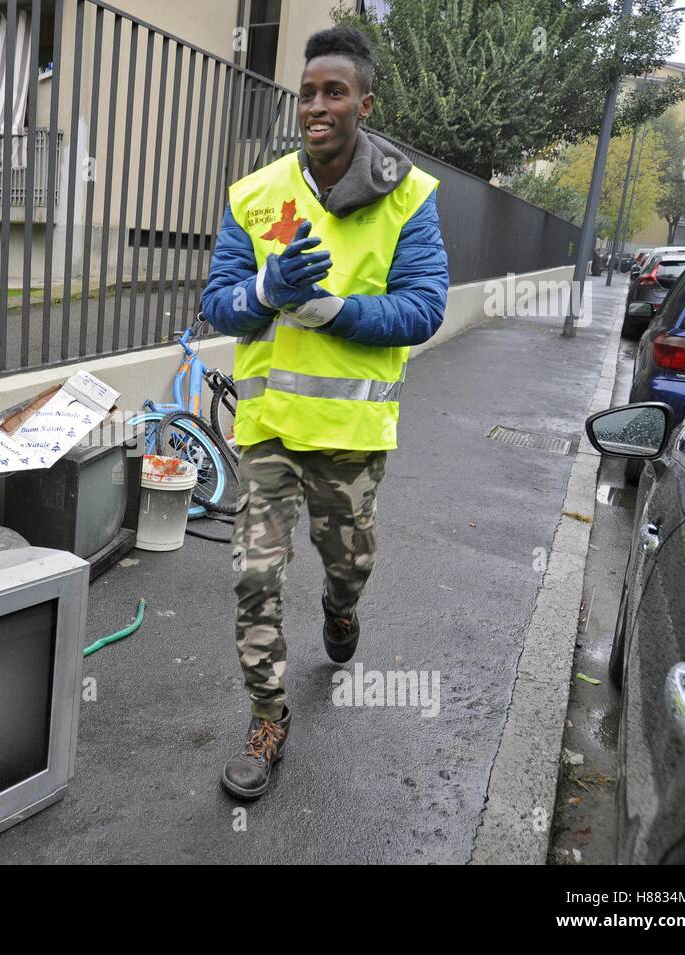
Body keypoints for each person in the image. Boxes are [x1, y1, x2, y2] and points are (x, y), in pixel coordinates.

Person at [201, 25, 450, 801]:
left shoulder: (407, 196)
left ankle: (341, 615)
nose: (316, 104)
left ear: (363, 103)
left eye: (333, 91)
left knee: (350, 565)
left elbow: (424, 308)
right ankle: (268, 718)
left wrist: (334, 310)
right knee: (253, 574)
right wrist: (267, 295)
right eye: (307, 92)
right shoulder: (257, 194)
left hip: (349, 437)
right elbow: (219, 305)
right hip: (270, 431)